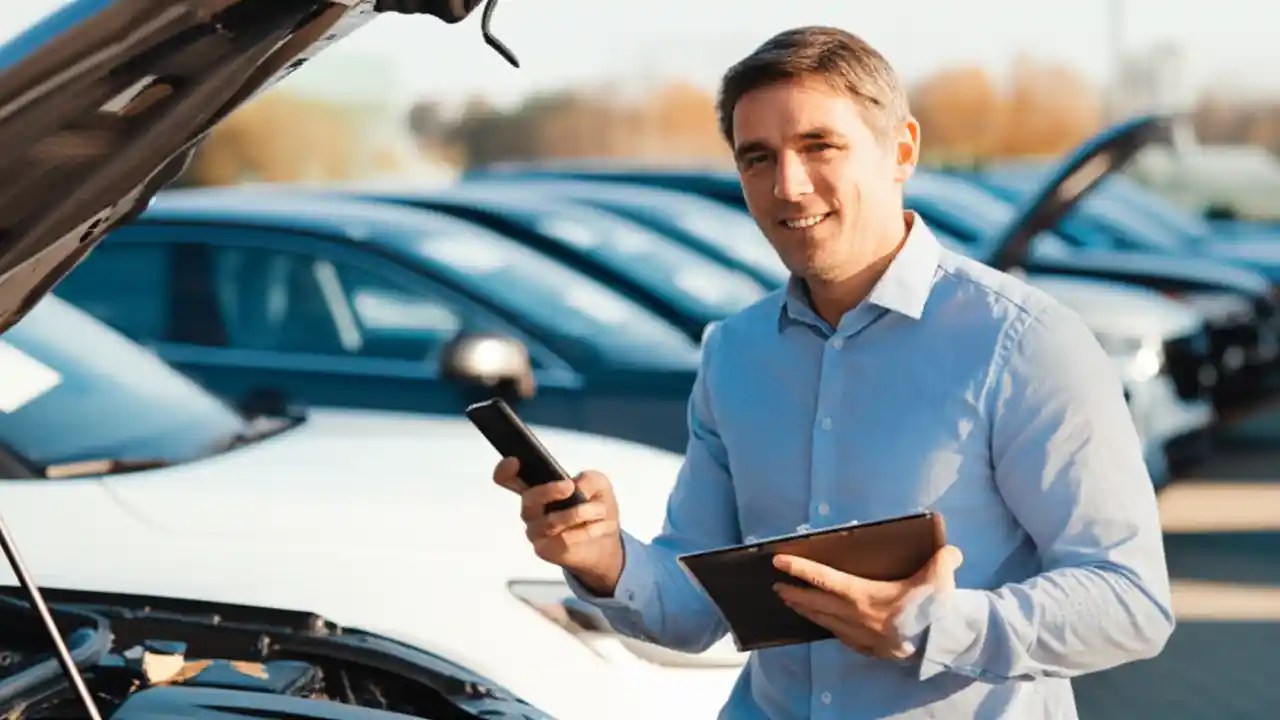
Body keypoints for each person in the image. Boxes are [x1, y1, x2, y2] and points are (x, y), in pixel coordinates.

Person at [492, 25, 1174, 719]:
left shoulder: (1024, 342)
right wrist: (604, 557)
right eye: (758, 158)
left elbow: (1131, 600)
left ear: (901, 149)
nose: (788, 186)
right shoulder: (735, 352)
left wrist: (935, 624)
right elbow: (694, 611)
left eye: (819, 146)